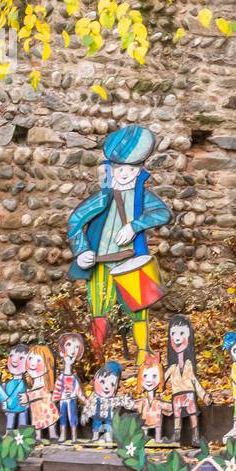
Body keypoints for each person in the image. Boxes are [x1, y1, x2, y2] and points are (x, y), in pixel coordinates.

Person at [68, 125, 171, 365]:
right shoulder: (102, 197)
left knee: (139, 309)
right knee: (99, 310)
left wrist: (135, 225)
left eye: (130, 169)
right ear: (110, 169)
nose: (124, 173)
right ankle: (97, 356)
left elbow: (162, 213)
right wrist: (82, 249)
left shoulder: (142, 197)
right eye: (118, 168)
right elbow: (75, 221)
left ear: (138, 171)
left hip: (130, 262)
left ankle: (143, 355)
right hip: (100, 263)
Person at [165, 315, 207, 445]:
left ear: (188, 336)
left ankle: (195, 436)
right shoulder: (172, 367)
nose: (177, 338)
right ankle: (176, 435)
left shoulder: (189, 365)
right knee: (177, 415)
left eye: (182, 333)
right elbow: (161, 381)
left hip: (189, 393)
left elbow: (195, 381)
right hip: (176, 394)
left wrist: (203, 395)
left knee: (193, 413)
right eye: (173, 334)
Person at [53, 333, 86, 443]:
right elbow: (57, 390)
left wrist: (86, 401)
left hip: (72, 400)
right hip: (63, 401)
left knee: (73, 418)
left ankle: (74, 436)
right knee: (62, 418)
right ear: (62, 352)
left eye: (76, 347)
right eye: (69, 345)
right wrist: (53, 400)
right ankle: (62, 435)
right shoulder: (61, 378)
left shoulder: (74, 378)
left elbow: (79, 391)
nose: (73, 350)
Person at [0, 345, 31, 431]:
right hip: (10, 412)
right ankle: (9, 437)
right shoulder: (8, 383)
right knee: (9, 427)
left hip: (21, 410)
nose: (14, 361)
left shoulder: (22, 384)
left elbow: (10, 403)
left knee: (22, 428)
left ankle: (21, 438)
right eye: (11, 356)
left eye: (21, 358)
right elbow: (3, 399)